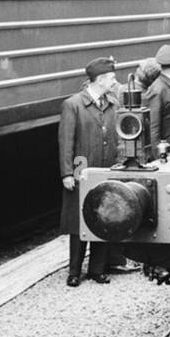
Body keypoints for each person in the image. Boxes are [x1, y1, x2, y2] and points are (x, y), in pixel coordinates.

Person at [59, 56, 121, 285]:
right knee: (79, 221)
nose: (115, 81)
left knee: (103, 218)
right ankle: (74, 271)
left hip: (105, 167)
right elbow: (66, 142)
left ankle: (97, 269)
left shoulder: (112, 103)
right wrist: (67, 173)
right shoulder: (73, 105)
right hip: (81, 167)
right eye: (112, 78)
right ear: (101, 79)